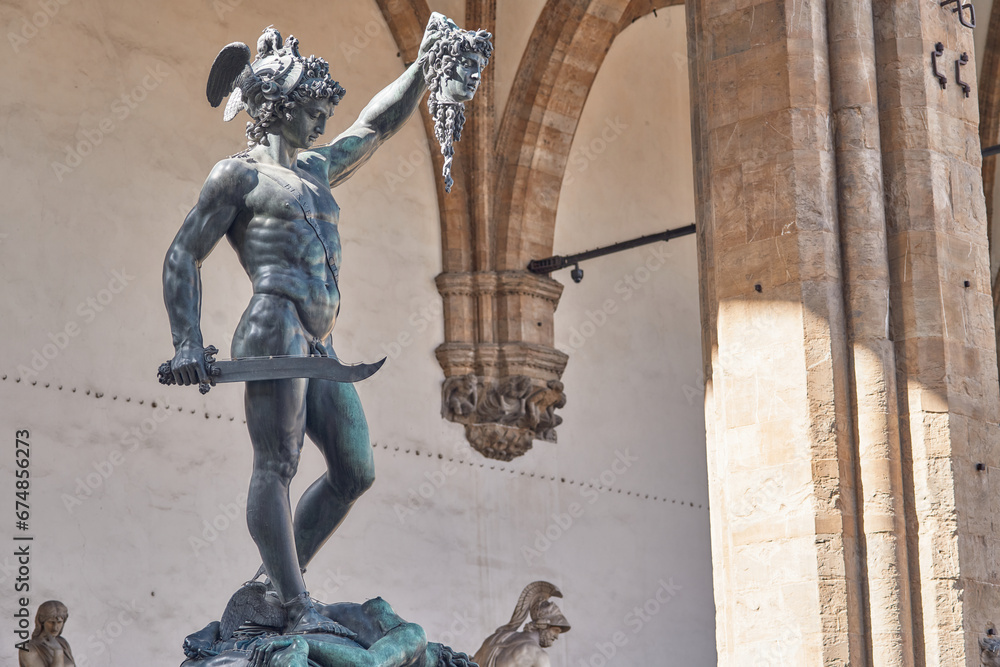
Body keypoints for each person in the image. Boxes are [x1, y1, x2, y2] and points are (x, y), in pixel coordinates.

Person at [163, 17, 488, 637]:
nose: (320, 121)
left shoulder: (314, 169)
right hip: (273, 326)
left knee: (355, 469)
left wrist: (423, 66)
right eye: (310, 110)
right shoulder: (238, 178)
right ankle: (292, 601)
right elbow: (183, 254)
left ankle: (273, 585)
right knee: (277, 465)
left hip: (321, 340)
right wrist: (185, 340)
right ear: (277, 107)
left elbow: (373, 127)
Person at [472, 582, 570, 667]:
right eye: (555, 630)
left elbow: (471, 663)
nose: (556, 636)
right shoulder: (538, 655)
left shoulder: (495, 638)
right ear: (543, 624)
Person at [18, 600, 75, 667]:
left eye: (59, 622)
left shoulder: (63, 642)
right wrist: (58, 652)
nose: (55, 628)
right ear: (42, 621)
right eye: (51, 622)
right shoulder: (28, 649)